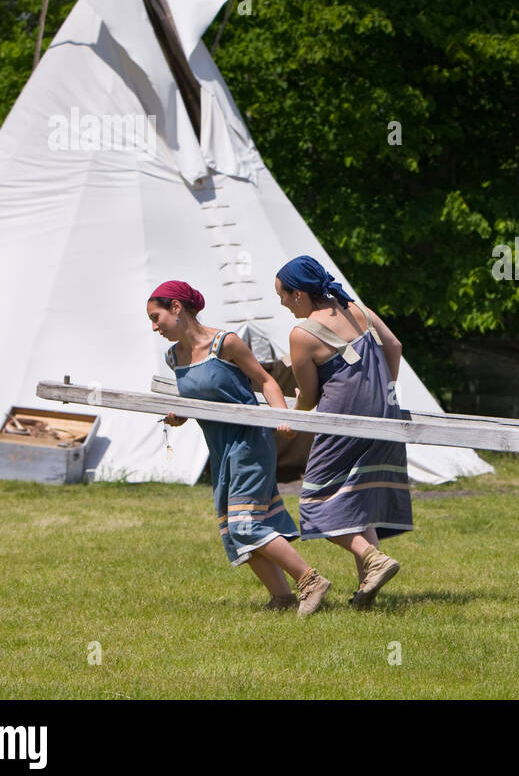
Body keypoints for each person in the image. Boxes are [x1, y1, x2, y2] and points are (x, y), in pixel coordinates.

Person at [148, 279, 331, 616]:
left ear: (177, 308)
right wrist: (179, 417)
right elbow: (199, 402)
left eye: (156, 317)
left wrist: (282, 418)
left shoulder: (225, 343)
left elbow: (265, 381)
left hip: (249, 443)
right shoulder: (174, 357)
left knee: (245, 524)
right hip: (219, 449)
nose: (155, 327)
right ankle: (282, 598)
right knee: (233, 530)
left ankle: (310, 581)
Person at [276, 256, 412, 609]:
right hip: (386, 413)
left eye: (284, 296)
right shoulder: (358, 310)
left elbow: (309, 395)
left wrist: (295, 414)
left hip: (343, 420)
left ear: (300, 295)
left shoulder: (303, 334)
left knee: (314, 501)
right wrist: (386, 388)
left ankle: (373, 559)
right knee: (358, 500)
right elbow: (394, 346)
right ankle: (368, 587)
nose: (283, 304)